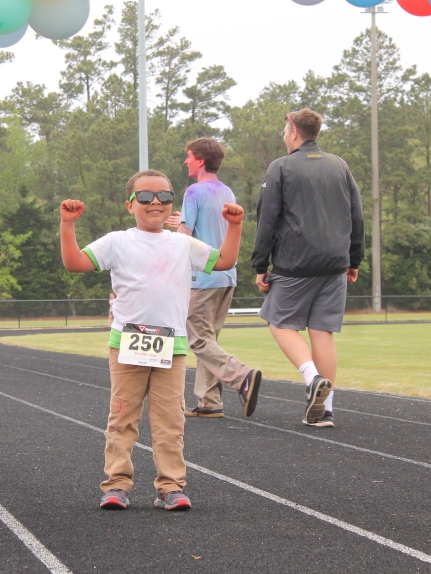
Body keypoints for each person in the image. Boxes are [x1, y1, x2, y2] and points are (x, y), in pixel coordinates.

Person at [60, 170, 244, 512]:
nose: (155, 202)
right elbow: (74, 263)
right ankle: (116, 484)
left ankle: (171, 487)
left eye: (164, 196)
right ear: (130, 205)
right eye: (145, 197)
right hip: (127, 344)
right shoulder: (117, 242)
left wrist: (234, 227)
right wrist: (67, 224)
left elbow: (226, 261)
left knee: (170, 421)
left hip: (170, 348)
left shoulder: (182, 244)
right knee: (122, 416)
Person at [251, 109, 364, 428]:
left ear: (294, 131)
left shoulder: (281, 167)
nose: (284, 136)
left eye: (284, 130)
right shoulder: (340, 165)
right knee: (322, 332)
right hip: (334, 264)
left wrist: (261, 263)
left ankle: (312, 378)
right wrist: (354, 259)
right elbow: (357, 214)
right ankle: (325, 409)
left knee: (280, 322)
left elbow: (268, 218)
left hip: (294, 264)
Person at [164, 137, 261, 419]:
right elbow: (208, 228)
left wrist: (174, 230)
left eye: (189, 156)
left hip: (202, 278)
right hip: (226, 276)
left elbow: (184, 239)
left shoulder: (194, 191)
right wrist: (182, 222)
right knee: (210, 340)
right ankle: (209, 402)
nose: (186, 161)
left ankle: (242, 377)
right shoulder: (227, 192)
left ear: (200, 160)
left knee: (197, 340)